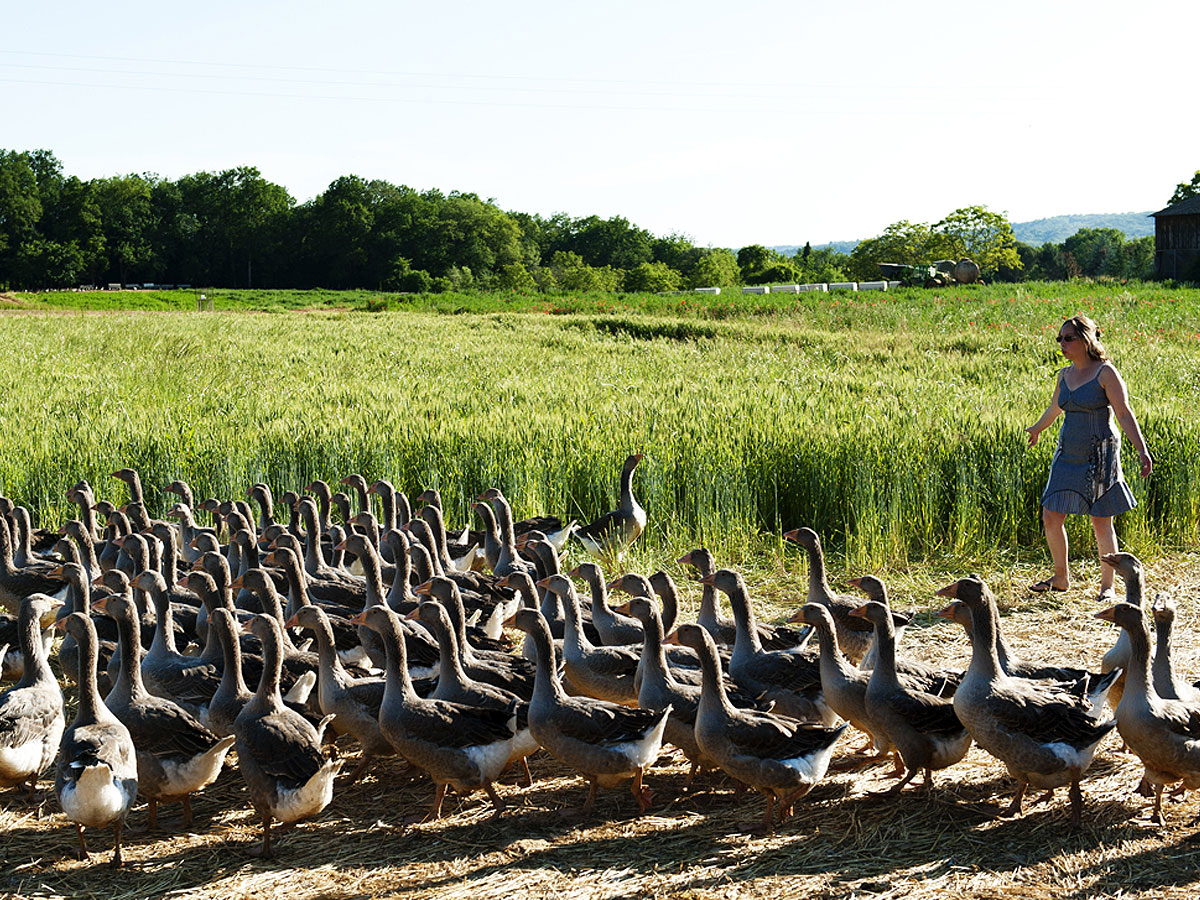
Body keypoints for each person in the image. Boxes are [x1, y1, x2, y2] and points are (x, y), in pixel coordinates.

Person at [1025, 315, 1152, 600]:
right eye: (1060, 338)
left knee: (1100, 519)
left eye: (1068, 338)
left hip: (1100, 453)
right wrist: (1037, 428)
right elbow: (1055, 408)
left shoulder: (1105, 373)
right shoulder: (1064, 375)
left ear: (1086, 340)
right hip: (1067, 453)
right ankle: (1060, 578)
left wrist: (1142, 449)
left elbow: (1123, 413)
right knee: (1051, 515)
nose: (1062, 344)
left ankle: (1107, 587)